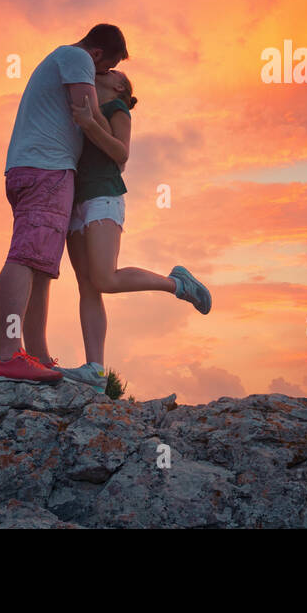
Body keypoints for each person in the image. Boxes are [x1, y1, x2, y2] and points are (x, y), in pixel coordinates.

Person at [0, 24, 127, 383]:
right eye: (103, 69)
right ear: (96, 55)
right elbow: (88, 112)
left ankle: (36, 355)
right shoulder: (77, 56)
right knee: (24, 258)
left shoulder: (63, 58)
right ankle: (8, 355)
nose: (101, 77)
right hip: (46, 169)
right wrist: (115, 139)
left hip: (38, 168)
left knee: (40, 265)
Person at [59, 68, 211, 389]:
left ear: (119, 85)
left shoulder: (117, 109)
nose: (103, 70)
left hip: (103, 195)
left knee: (104, 277)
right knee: (87, 287)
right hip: (74, 198)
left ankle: (177, 284)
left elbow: (121, 153)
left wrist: (88, 123)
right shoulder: (88, 105)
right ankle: (96, 371)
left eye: (111, 70)